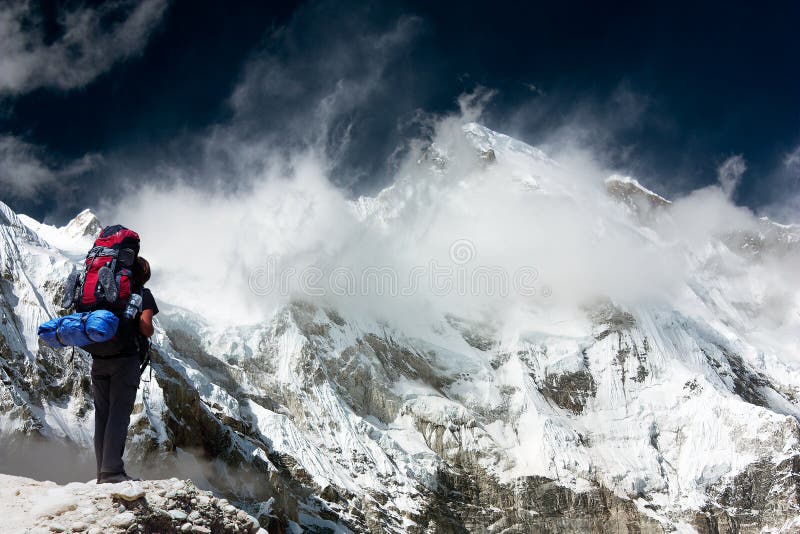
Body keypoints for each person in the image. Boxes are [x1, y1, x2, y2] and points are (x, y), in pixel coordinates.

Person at [91, 256, 159, 483]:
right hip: (125, 361)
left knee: (102, 416)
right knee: (118, 415)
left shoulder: (106, 292)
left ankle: (102, 471)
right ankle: (112, 472)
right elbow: (146, 327)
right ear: (145, 276)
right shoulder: (143, 294)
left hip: (99, 356)